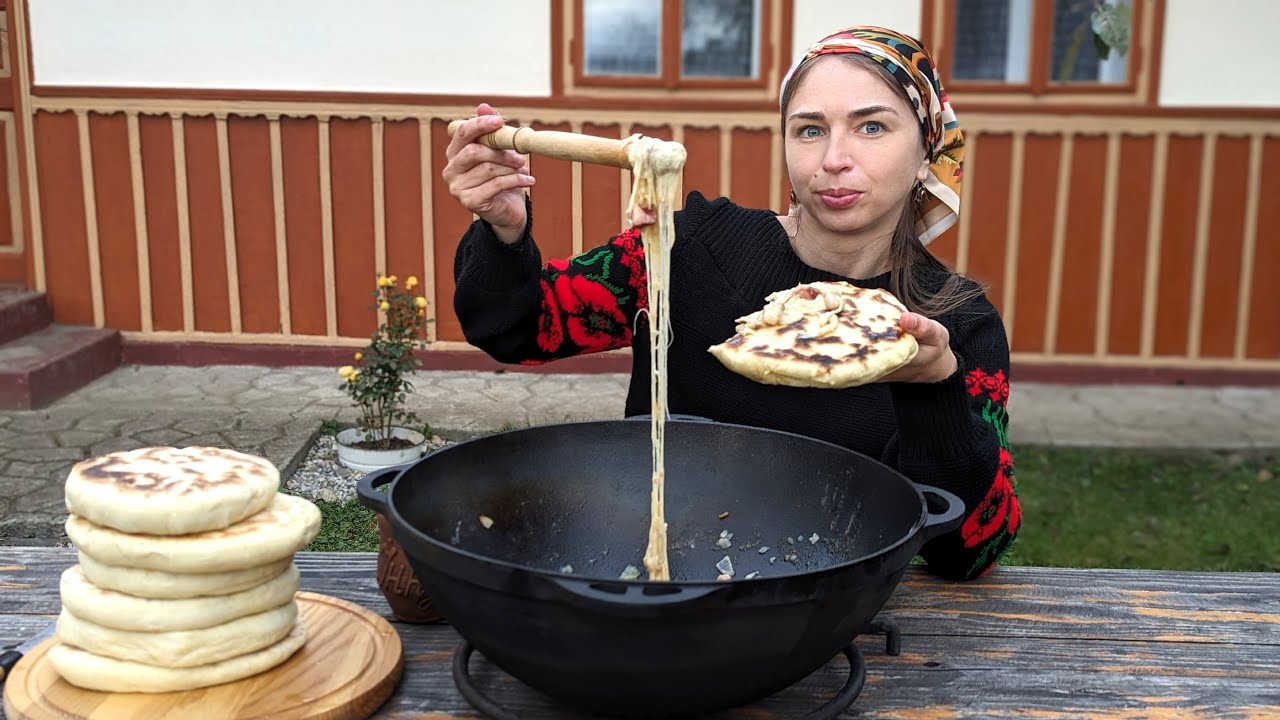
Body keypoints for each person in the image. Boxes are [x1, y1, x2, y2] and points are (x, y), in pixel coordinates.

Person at [442, 26, 1019, 581]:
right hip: (659, 577)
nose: (834, 159)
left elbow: (970, 551)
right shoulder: (689, 247)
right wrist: (503, 230)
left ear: (926, 152)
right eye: (810, 130)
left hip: (826, 604)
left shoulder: (956, 323)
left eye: (872, 127)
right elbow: (520, 326)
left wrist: (934, 388)